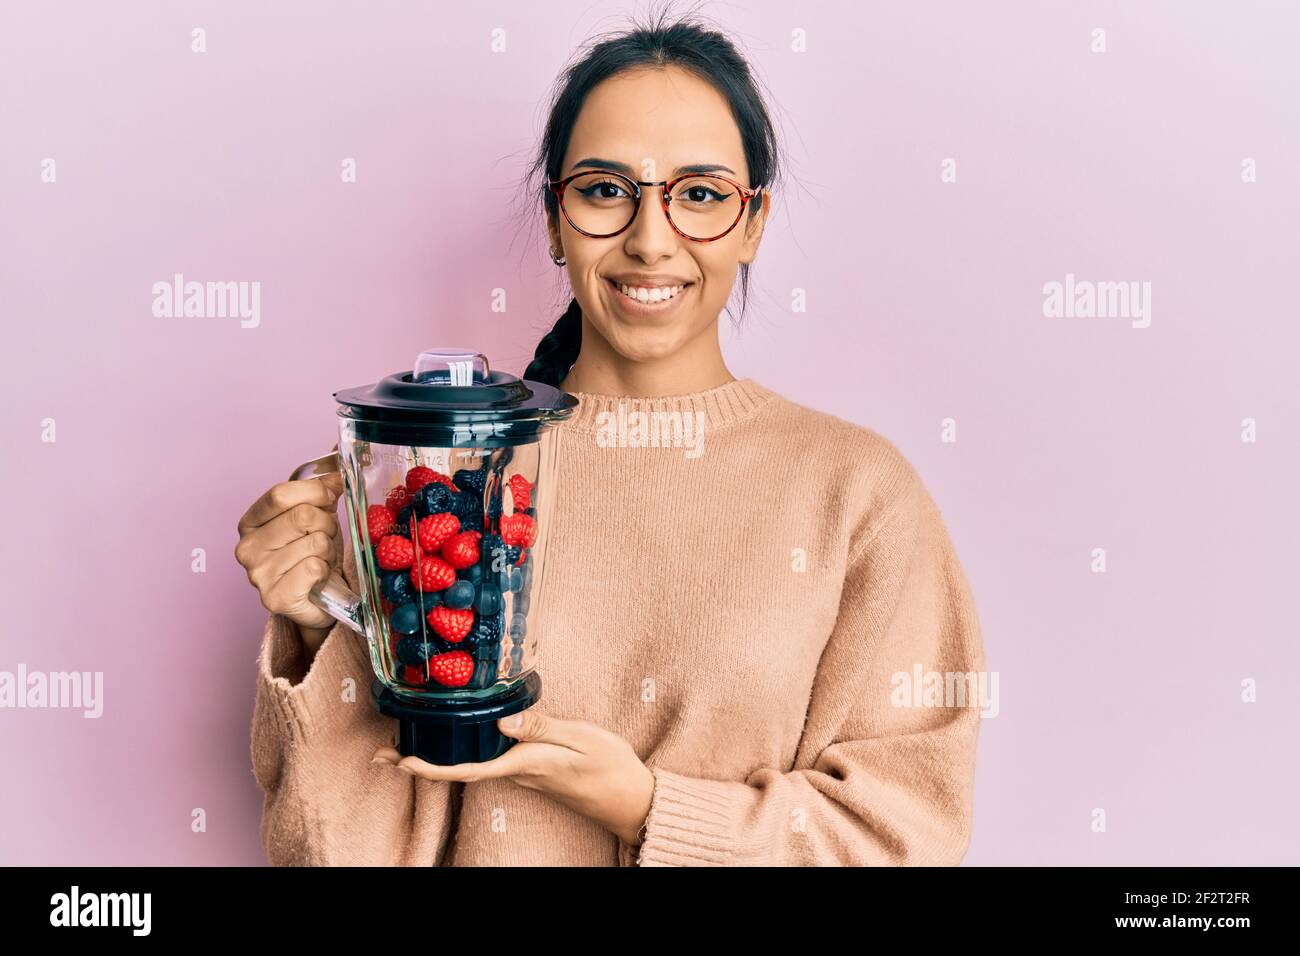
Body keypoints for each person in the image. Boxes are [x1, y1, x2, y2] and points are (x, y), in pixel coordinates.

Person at [235, 9, 986, 866]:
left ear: (754, 222)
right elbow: (335, 856)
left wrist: (645, 806)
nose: (650, 238)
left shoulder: (858, 493)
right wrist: (323, 624)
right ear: (555, 220)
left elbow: (905, 840)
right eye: (604, 190)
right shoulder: (459, 477)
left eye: (700, 195)